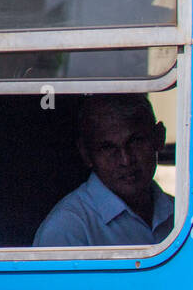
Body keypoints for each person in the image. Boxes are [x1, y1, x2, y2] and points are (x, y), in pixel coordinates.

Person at [33, 94, 174, 247]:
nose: (126, 160)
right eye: (108, 148)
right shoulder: (68, 228)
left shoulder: (182, 213)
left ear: (159, 138)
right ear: (86, 154)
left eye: (136, 141)